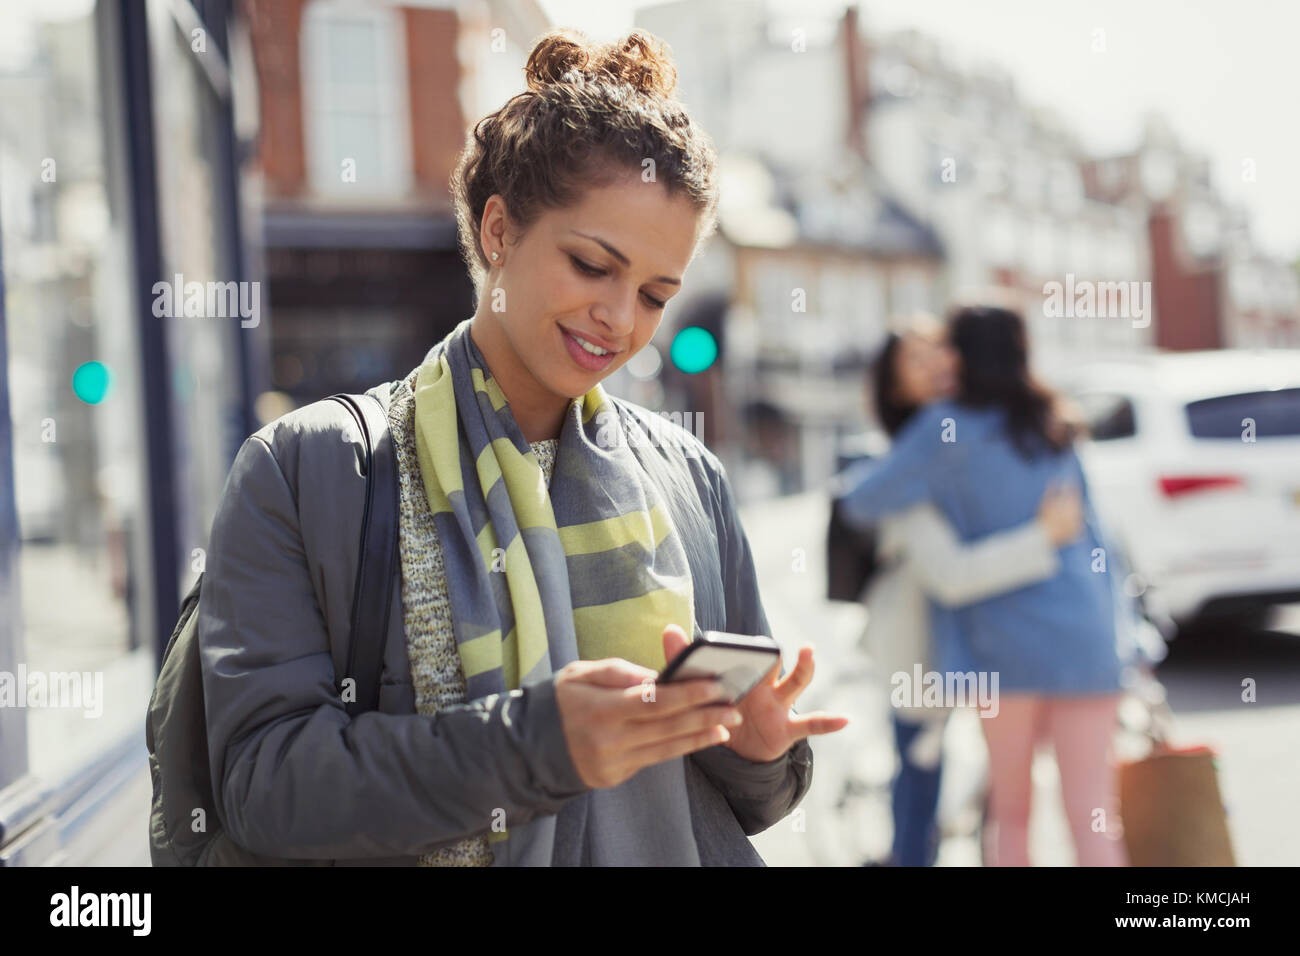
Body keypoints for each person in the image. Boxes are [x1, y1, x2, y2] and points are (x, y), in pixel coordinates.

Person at [196, 28, 847, 867]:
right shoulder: (308, 469)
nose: (620, 319)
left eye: (655, 294)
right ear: (499, 231)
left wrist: (758, 752)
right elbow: (264, 787)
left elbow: (734, 803)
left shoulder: (688, 477)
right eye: (590, 264)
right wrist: (533, 746)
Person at [833, 303, 1129, 867]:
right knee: (1093, 815)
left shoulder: (943, 432)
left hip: (1005, 651)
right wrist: (1125, 641)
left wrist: (912, 487)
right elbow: (1097, 545)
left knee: (1011, 814)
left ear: (964, 355)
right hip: (1088, 640)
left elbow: (859, 501)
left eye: (946, 347)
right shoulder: (1053, 421)